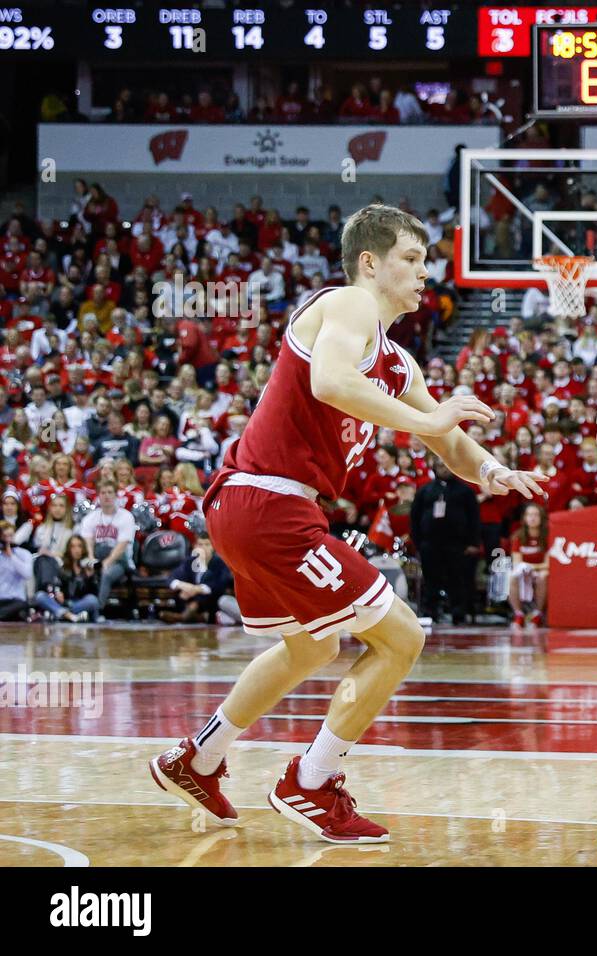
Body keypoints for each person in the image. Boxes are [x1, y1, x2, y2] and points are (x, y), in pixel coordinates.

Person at [149, 204, 547, 844]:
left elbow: (449, 445)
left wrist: (493, 471)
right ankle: (310, 782)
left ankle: (197, 759)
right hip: (268, 502)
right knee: (402, 638)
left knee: (313, 645)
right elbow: (332, 381)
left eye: (426, 261)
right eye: (412, 260)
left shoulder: (398, 362)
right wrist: (429, 421)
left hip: (255, 505)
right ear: (370, 263)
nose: (426, 273)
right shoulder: (350, 305)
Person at [410, 458, 482, 625]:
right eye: (440, 466)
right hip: (430, 543)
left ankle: (459, 613)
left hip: (457, 544)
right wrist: (418, 542)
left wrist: (473, 542)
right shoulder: (425, 490)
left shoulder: (466, 491)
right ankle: (430, 612)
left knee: (457, 579)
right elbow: (415, 517)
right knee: (431, 580)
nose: (444, 469)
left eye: (447, 465)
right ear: (435, 467)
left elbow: (474, 518)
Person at [78, 476, 137, 610]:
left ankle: (97, 609)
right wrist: (91, 560)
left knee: (107, 573)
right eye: (103, 493)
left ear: (116, 495)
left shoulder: (126, 516)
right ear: (98, 495)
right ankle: (75, 605)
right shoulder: (90, 518)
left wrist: (106, 563)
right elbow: (88, 542)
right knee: (80, 569)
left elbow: (122, 546)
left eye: (110, 492)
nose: (106, 496)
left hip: (120, 561)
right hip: (97, 557)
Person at [160, 532, 235, 624]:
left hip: (212, 601)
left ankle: (182, 617)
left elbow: (220, 584)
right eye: (200, 544)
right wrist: (184, 586)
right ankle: (195, 617)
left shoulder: (220, 563)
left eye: (207, 544)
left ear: (213, 546)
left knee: (198, 602)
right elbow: (172, 578)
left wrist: (196, 589)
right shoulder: (190, 562)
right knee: (184, 595)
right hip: (191, 598)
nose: (203, 548)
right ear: (195, 546)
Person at [33, 534, 100, 622]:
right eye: (73, 547)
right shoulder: (62, 567)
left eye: (79, 546)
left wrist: (90, 578)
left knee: (92, 600)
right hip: (63, 603)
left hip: (78, 604)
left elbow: (94, 594)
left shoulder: (87, 567)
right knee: (40, 596)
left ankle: (63, 614)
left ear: (83, 548)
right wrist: (58, 593)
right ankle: (68, 615)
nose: (76, 550)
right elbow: (55, 585)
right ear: (69, 549)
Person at [507, 502, 549, 628]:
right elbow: (516, 562)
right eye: (529, 515)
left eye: (536, 515)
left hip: (541, 571)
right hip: (524, 570)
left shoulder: (548, 536)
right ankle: (518, 614)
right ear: (524, 518)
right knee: (512, 576)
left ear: (541, 518)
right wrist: (527, 567)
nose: (532, 518)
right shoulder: (518, 536)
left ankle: (538, 614)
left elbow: (548, 564)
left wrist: (531, 567)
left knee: (543, 576)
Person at [0, 521, 34, 621]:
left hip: (16, 600)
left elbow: (27, 574)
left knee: (22, 605)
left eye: (10, 535)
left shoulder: (24, 554)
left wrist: (11, 556)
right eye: (4, 536)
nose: (7, 539)